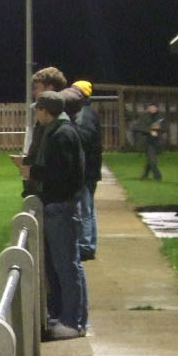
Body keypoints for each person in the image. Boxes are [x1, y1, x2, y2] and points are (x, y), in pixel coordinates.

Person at [29, 91, 87, 339]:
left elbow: (63, 174)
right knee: (61, 265)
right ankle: (66, 316)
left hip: (61, 206)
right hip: (57, 205)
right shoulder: (59, 130)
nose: (36, 114)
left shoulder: (62, 134)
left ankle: (73, 321)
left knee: (66, 266)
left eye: (38, 109)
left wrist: (34, 171)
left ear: (45, 111)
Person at [20, 66, 67, 198]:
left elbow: (58, 167)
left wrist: (32, 170)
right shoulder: (47, 121)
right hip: (41, 188)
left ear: (50, 88)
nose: (34, 92)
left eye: (37, 87)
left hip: (50, 194)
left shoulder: (59, 125)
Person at [70, 80, 102, 260]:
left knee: (85, 208)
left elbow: (86, 139)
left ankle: (86, 246)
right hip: (90, 168)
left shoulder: (84, 114)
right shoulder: (86, 113)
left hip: (86, 169)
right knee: (87, 208)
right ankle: (88, 244)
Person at [141, 103, 166, 181]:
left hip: (157, 141)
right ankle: (158, 176)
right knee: (152, 160)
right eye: (151, 107)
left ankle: (144, 175)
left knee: (150, 160)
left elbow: (165, 127)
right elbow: (140, 128)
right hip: (148, 142)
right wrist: (150, 131)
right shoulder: (144, 117)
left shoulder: (160, 117)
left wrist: (158, 129)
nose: (152, 108)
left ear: (157, 108)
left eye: (154, 107)